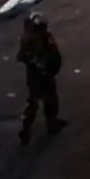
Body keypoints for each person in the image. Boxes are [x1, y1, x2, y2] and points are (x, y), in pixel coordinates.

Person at [16, 12, 67, 144]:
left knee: (35, 100)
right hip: (42, 74)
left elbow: (22, 57)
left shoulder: (28, 37)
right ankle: (50, 124)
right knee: (49, 99)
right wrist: (43, 67)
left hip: (35, 75)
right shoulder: (38, 38)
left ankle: (28, 127)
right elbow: (27, 57)